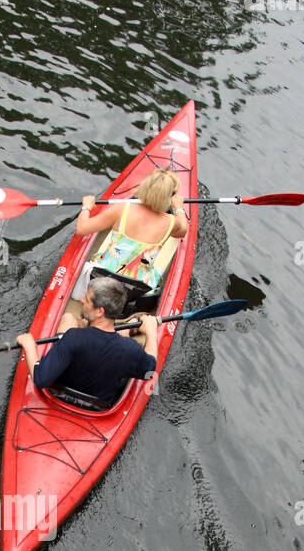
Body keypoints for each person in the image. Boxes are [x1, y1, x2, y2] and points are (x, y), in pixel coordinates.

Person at [15, 276, 158, 407]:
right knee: (72, 319)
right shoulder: (130, 348)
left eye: (88, 300)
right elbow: (149, 371)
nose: (82, 300)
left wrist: (29, 346)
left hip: (59, 393)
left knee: (68, 319)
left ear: (100, 312)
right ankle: (125, 328)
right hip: (96, 406)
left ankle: (100, 326)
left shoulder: (72, 337)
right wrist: (151, 332)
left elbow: (40, 378)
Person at [70, 168, 189, 302]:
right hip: (135, 285)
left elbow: (82, 228)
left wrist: (86, 207)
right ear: (169, 197)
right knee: (156, 274)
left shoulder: (122, 209)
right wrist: (179, 208)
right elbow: (183, 230)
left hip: (103, 275)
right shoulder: (171, 222)